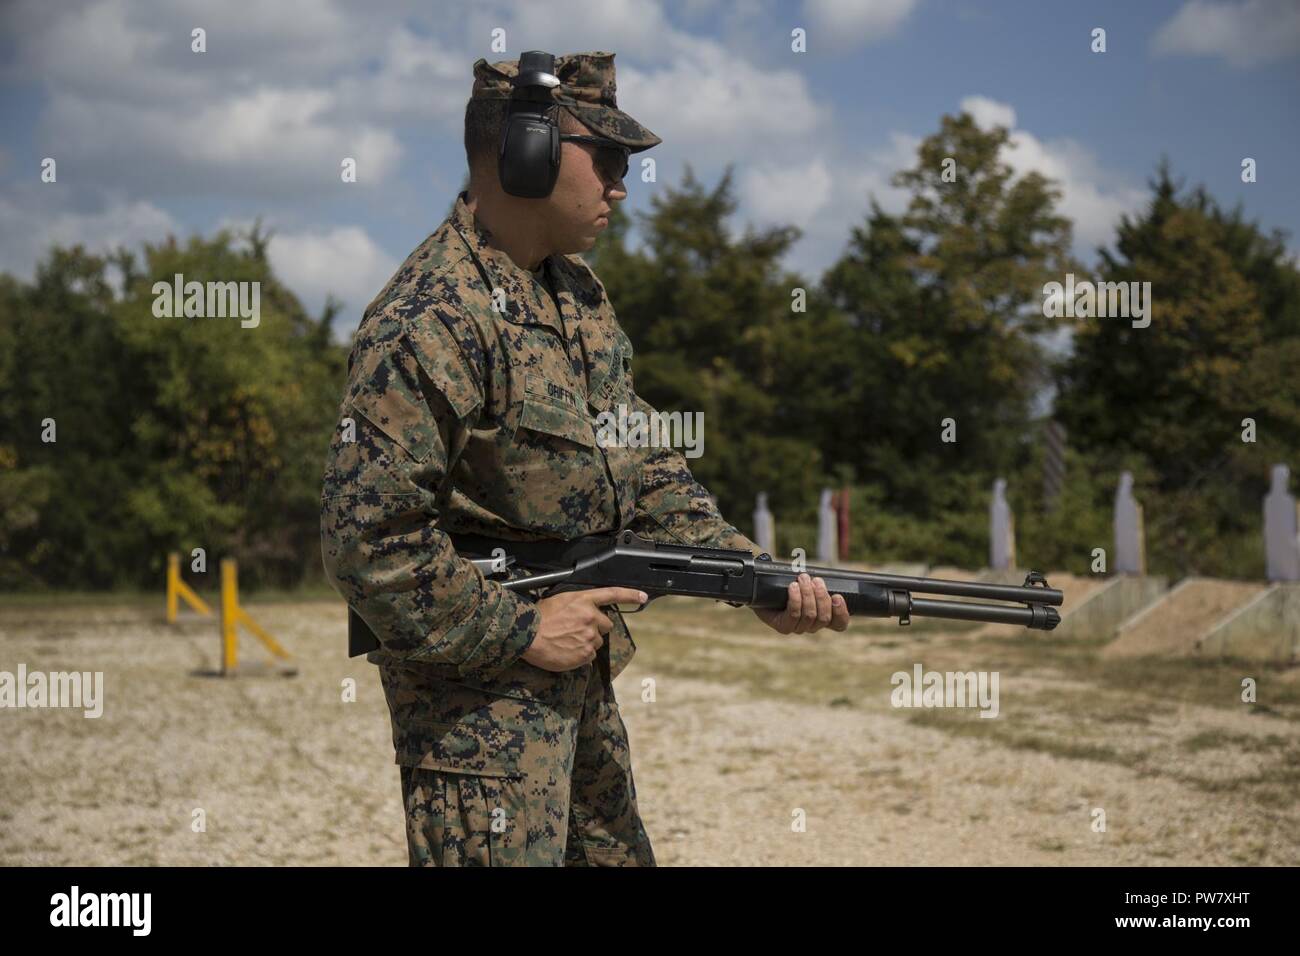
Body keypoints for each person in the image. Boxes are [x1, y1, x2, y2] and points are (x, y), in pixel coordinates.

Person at [319, 50, 849, 868]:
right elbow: (369, 543)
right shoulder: (430, 317)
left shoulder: (578, 297)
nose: (620, 184)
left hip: (576, 694)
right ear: (523, 151)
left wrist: (756, 578)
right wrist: (523, 625)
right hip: (477, 727)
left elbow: (647, 472)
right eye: (603, 158)